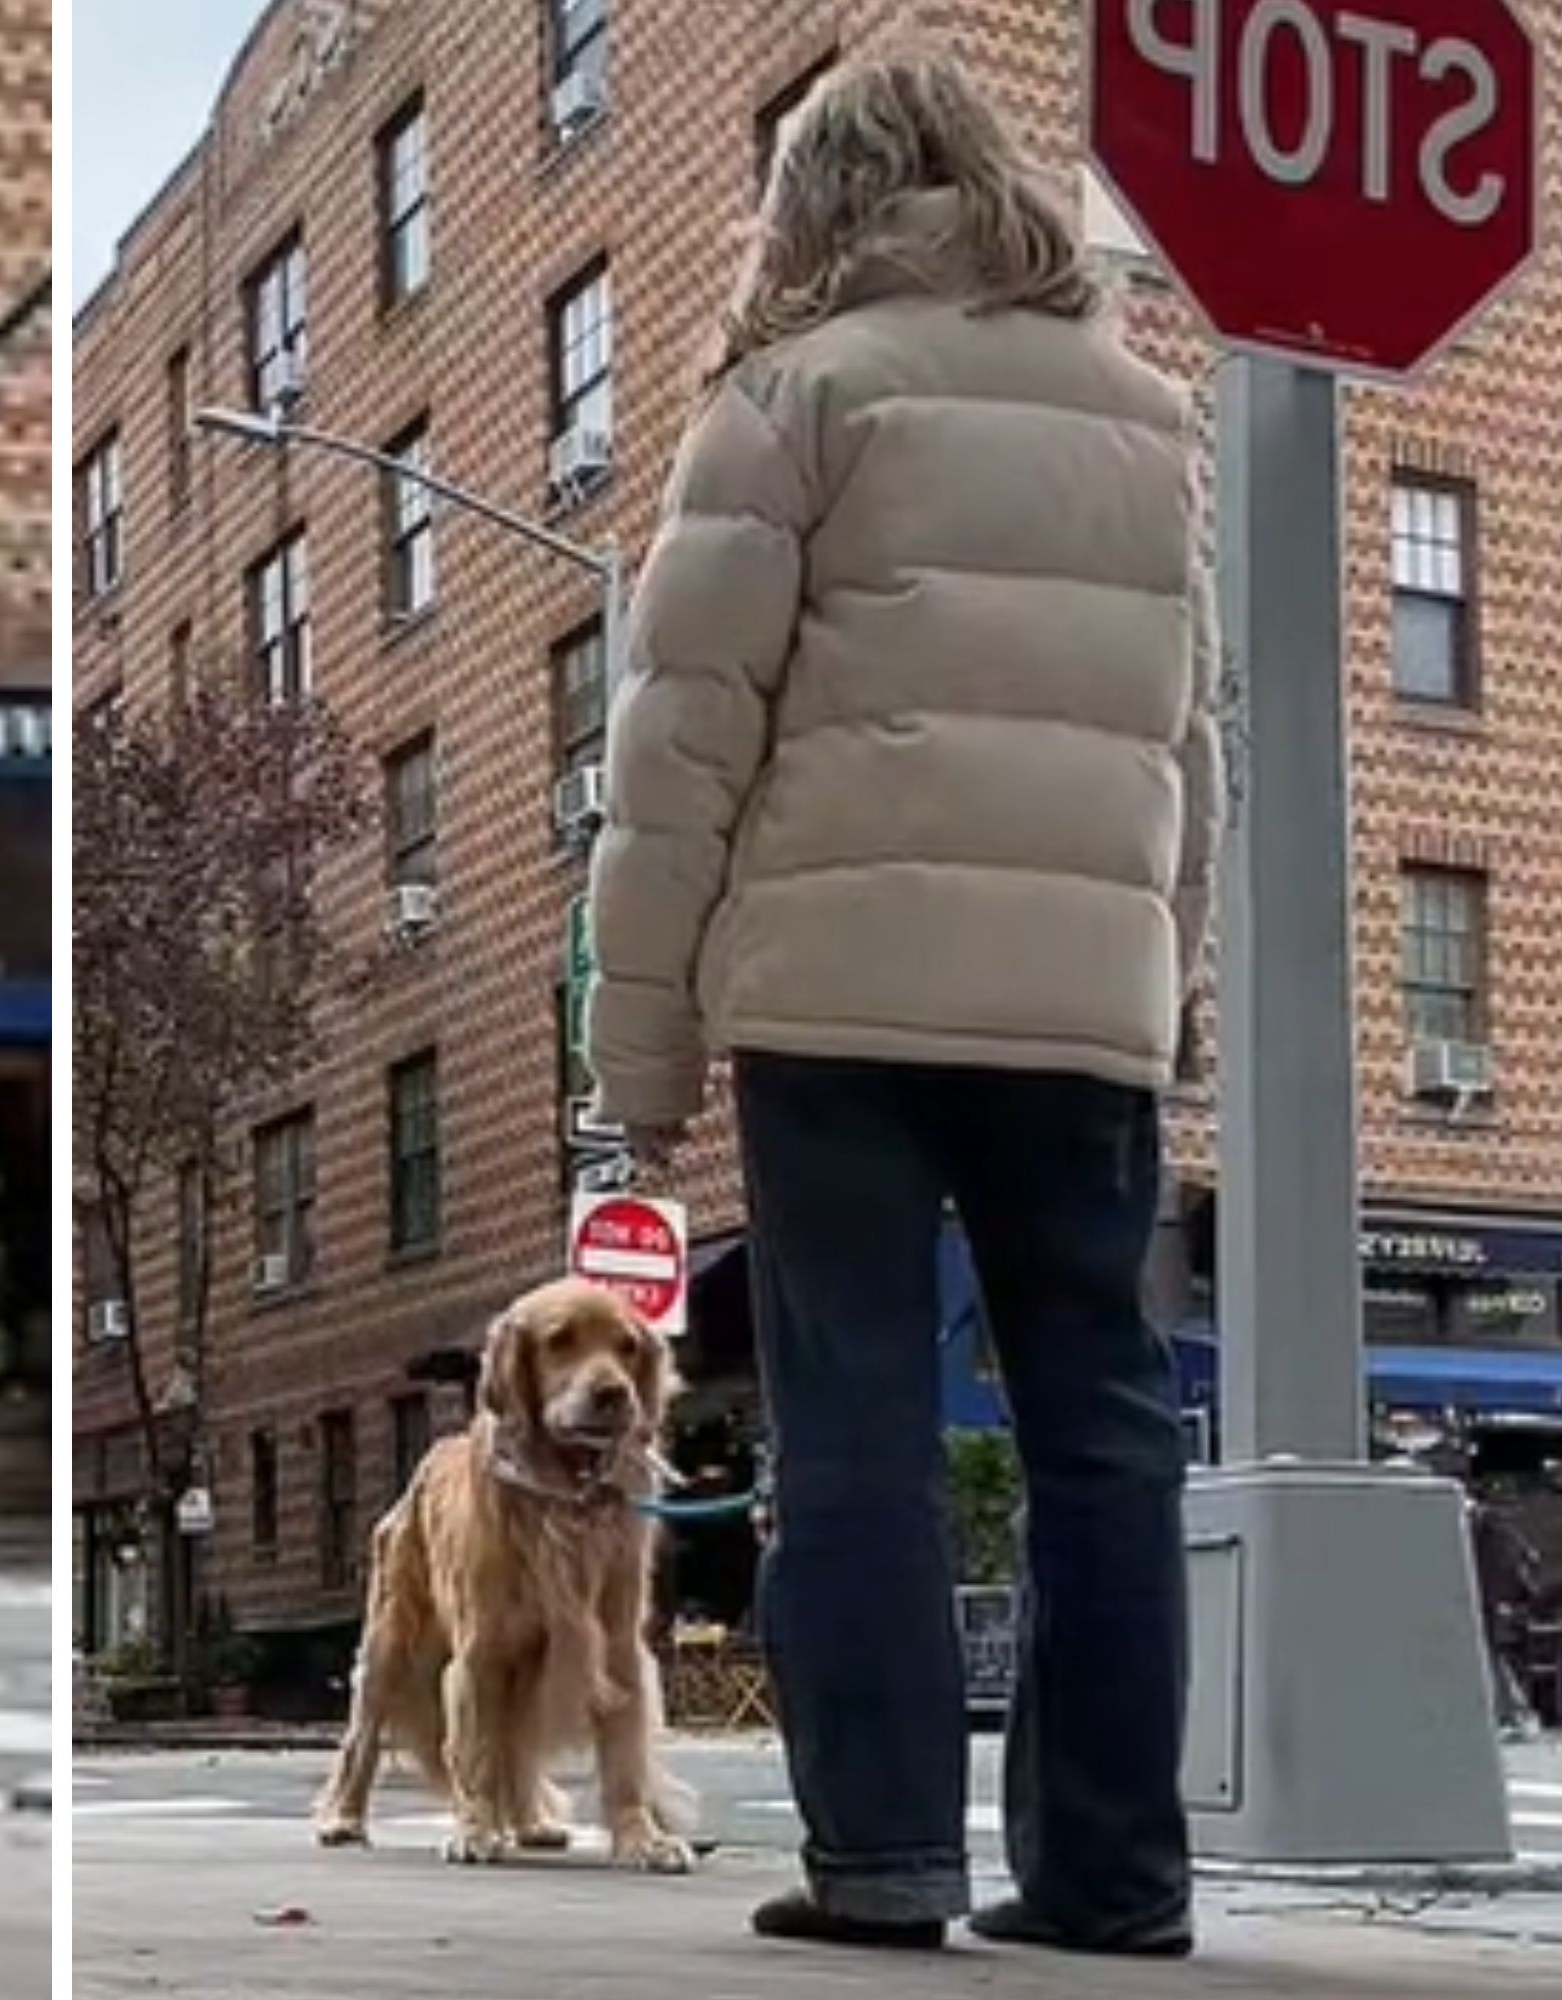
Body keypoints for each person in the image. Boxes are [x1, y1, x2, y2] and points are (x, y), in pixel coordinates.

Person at [589, 48, 1218, 1960]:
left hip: (839, 998)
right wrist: (1160, 996)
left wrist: (641, 1054)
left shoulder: (791, 400)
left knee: (850, 1415)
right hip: (1078, 1008)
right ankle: (1113, 1882)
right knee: (1104, 1427)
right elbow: (1194, 744)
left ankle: (882, 1863)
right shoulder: (1147, 414)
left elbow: (681, 743)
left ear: (815, 205)